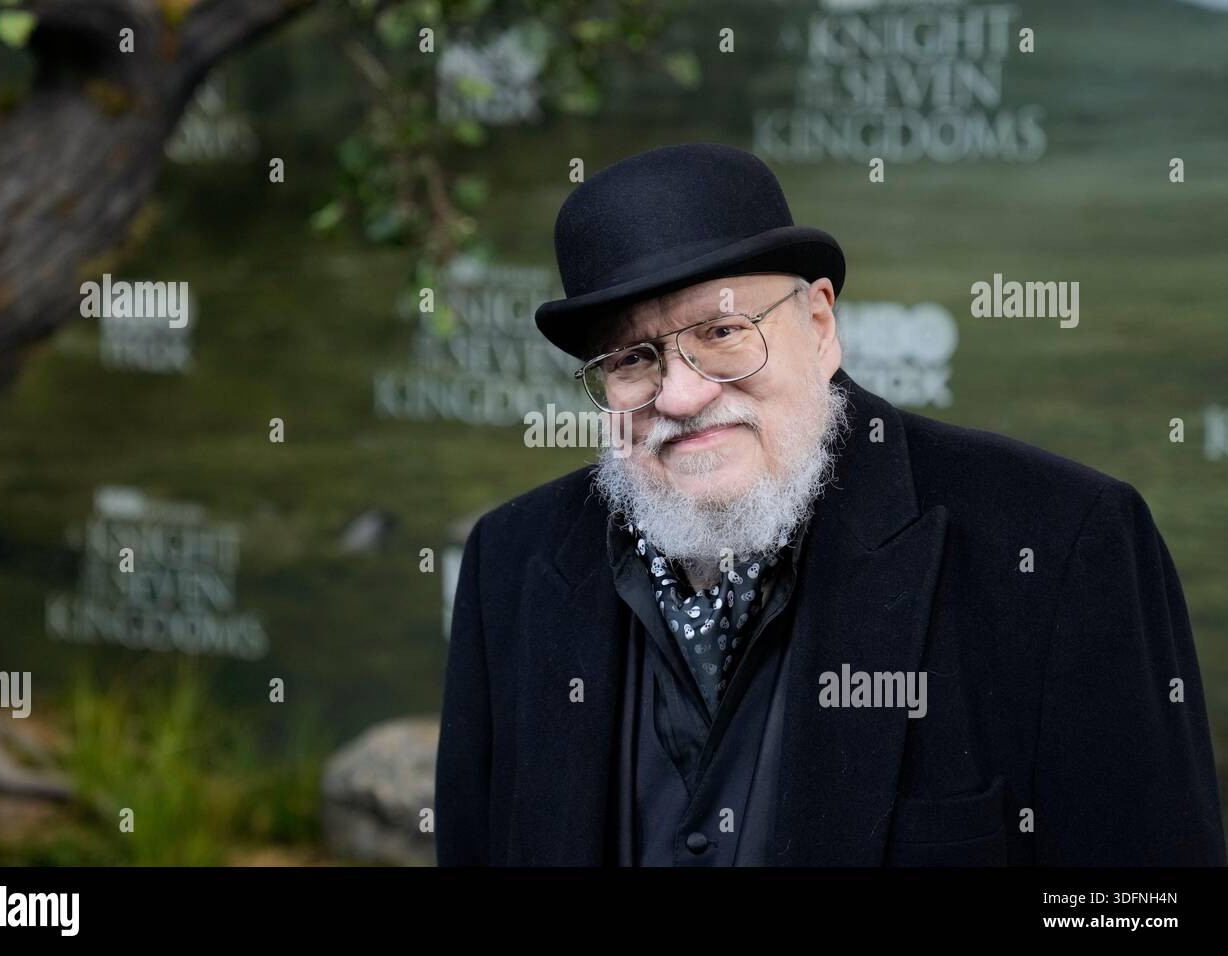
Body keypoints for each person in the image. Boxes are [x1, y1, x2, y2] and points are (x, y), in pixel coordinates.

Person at [434, 142, 1225, 866]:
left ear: (818, 324)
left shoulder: (1060, 542)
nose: (680, 394)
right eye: (634, 358)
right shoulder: (513, 562)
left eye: (721, 331)